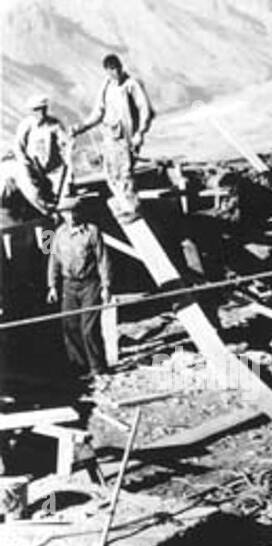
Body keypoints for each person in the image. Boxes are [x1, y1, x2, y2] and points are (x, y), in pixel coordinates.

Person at [72, 54, 153, 205]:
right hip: (110, 138)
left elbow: (144, 109)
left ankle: (132, 208)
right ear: (107, 71)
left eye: (117, 69)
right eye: (111, 70)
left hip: (126, 139)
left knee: (125, 175)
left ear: (121, 67)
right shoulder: (106, 86)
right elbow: (98, 112)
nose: (115, 73)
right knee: (111, 175)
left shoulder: (131, 85)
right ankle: (123, 204)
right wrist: (81, 128)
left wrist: (140, 132)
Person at [47, 195, 110, 377]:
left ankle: (97, 367)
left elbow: (102, 260)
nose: (71, 216)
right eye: (66, 212)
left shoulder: (92, 232)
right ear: (62, 215)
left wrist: (106, 286)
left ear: (80, 212)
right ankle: (79, 367)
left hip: (90, 284)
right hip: (69, 285)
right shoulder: (58, 234)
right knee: (70, 326)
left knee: (89, 328)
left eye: (74, 211)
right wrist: (52, 285)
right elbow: (53, 260)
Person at [13, 94, 70, 214]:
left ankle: (53, 227)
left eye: (43, 108)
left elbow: (64, 141)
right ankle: (47, 219)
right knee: (39, 204)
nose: (41, 112)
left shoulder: (54, 123)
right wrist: (26, 164)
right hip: (34, 170)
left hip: (53, 171)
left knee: (56, 202)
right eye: (37, 109)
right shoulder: (26, 125)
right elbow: (19, 147)